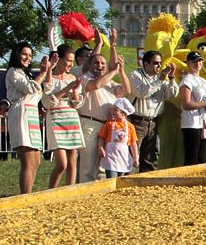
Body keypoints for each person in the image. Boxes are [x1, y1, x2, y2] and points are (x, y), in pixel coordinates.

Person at [75, 29, 130, 182]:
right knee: (88, 165)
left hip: (108, 127)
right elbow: (96, 84)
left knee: (104, 163)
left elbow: (126, 90)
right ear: (90, 64)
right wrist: (113, 70)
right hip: (90, 124)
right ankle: (85, 193)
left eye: (102, 64)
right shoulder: (85, 78)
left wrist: (121, 71)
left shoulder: (110, 83)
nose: (99, 66)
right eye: (96, 63)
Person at [5, 41, 51, 193]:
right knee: (28, 160)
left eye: (30, 55)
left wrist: (48, 70)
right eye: (24, 54)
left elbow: (39, 91)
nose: (27, 58)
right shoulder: (13, 72)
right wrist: (43, 73)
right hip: (21, 113)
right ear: (17, 54)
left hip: (31, 114)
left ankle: (29, 192)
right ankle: (25, 195)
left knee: (36, 160)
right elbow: (29, 88)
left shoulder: (27, 74)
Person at [42, 44, 85, 188]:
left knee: (73, 160)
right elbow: (48, 101)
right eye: (68, 61)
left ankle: (70, 192)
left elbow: (77, 102)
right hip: (55, 118)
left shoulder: (72, 77)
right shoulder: (50, 78)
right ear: (59, 59)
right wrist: (67, 88)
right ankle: (51, 192)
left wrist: (74, 92)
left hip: (71, 117)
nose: (71, 64)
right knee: (61, 163)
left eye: (72, 61)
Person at [129, 50, 178, 171]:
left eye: (160, 63)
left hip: (153, 121)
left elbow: (172, 94)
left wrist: (171, 77)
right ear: (146, 64)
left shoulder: (161, 78)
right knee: (131, 156)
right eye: (156, 63)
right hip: (137, 120)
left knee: (149, 157)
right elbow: (142, 93)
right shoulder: (136, 75)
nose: (159, 66)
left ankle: (146, 185)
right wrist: (160, 79)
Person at [180, 50, 206, 165]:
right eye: (194, 61)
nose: (197, 63)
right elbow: (186, 104)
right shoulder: (187, 80)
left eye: (199, 61)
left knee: (202, 156)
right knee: (192, 156)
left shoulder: (203, 81)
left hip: (203, 121)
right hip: (191, 123)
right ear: (188, 63)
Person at [97, 98, 139, 178]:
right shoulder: (109, 124)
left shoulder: (130, 127)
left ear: (123, 113)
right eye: (112, 109)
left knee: (120, 180)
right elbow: (101, 137)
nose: (112, 112)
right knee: (111, 179)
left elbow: (133, 143)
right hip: (110, 158)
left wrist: (135, 157)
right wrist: (101, 148)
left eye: (115, 110)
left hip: (123, 158)